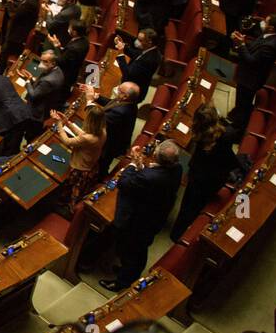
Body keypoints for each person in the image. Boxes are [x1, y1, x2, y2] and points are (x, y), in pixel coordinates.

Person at [101, 142, 184, 290]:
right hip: (155, 216)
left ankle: (123, 283)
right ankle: (129, 273)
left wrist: (133, 165)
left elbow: (124, 183)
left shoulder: (150, 177)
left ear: (157, 157)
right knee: (138, 250)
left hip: (137, 221)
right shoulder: (177, 169)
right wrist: (141, 168)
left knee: (131, 250)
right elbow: (148, 182)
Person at [169, 109, 241, 241]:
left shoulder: (203, 137)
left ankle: (177, 235)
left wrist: (190, 173)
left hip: (202, 179)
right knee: (195, 207)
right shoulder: (225, 133)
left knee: (188, 207)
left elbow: (197, 162)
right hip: (215, 178)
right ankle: (182, 232)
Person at [61, 103, 107, 213]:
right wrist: (67, 123)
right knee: (78, 190)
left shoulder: (88, 138)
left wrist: (59, 125)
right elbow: (83, 136)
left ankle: (69, 210)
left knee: (72, 190)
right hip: (90, 165)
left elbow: (67, 141)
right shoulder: (103, 131)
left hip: (80, 168)